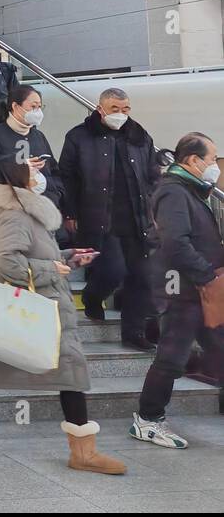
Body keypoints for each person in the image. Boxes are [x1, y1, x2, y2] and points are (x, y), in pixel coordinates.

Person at [0, 157, 121, 473]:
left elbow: (36, 255)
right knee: (65, 370)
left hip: (39, 308)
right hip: (36, 311)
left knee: (7, 370)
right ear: (17, 183)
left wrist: (68, 258)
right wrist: (52, 269)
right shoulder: (15, 217)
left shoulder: (28, 213)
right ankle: (83, 452)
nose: (40, 176)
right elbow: (4, 259)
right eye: (32, 172)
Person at [131, 133, 224, 449]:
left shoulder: (192, 191)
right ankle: (148, 419)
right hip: (181, 289)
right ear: (194, 160)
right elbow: (175, 243)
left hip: (200, 288)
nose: (215, 166)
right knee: (172, 355)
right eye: (212, 160)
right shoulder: (173, 192)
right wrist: (208, 274)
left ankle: (150, 417)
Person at [59, 88, 160, 349]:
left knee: (141, 277)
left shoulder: (139, 136)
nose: (121, 115)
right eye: (115, 109)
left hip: (137, 219)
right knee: (114, 270)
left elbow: (153, 174)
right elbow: (67, 177)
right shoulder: (79, 137)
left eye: (125, 109)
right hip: (99, 217)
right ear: (100, 108)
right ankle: (93, 296)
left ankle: (134, 333)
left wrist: (154, 207)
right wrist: (69, 212)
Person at [0, 84, 62, 211]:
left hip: (41, 209)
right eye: (33, 107)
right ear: (15, 107)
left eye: (40, 107)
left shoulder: (38, 136)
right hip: (8, 211)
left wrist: (55, 194)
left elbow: (53, 170)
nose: (37, 111)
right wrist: (20, 169)